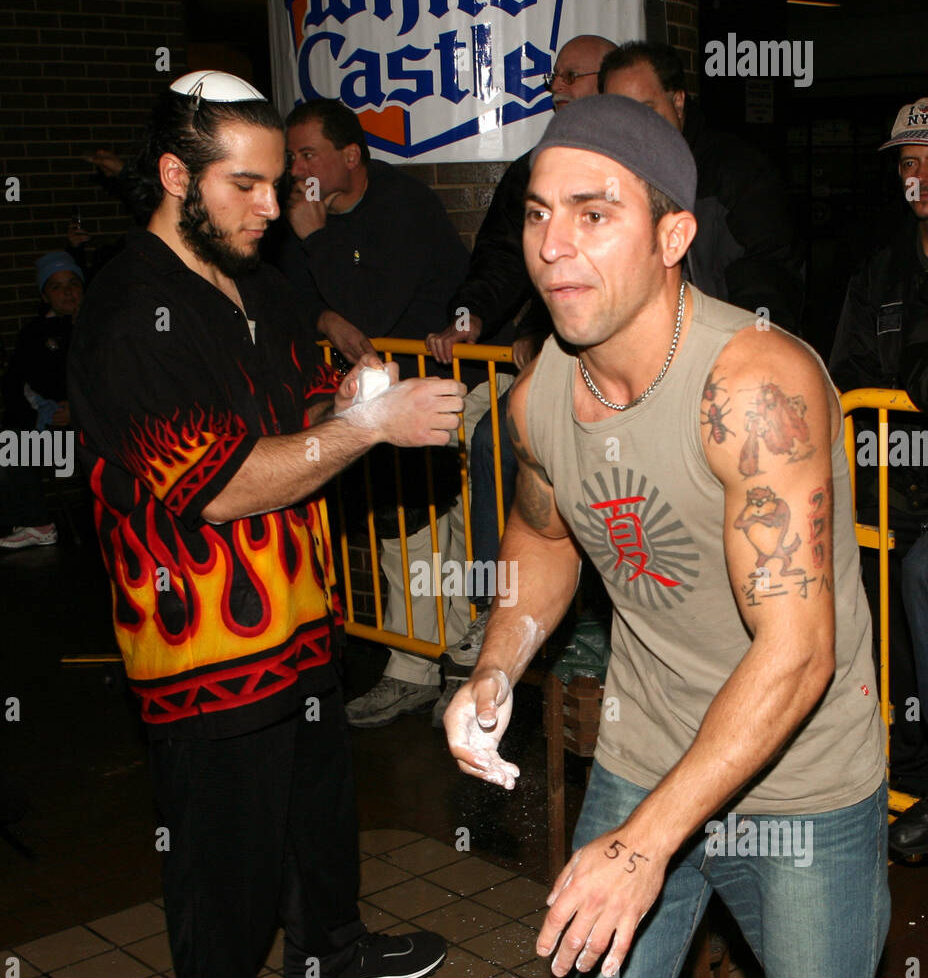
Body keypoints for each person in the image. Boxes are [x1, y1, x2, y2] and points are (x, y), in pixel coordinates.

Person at [444, 94, 888, 978]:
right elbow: (542, 537)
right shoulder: (547, 381)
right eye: (541, 213)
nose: (554, 244)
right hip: (646, 746)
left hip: (800, 776)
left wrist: (644, 848)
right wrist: (497, 665)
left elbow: (794, 657)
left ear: (674, 234)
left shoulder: (754, 385)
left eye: (595, 214)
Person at [69, 70, 464, 978]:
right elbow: (226, 482)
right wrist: (370, 432)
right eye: (243, 184)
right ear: (172, 175)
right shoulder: (128, 310)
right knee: (221, 846)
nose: (271, 206)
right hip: (196, 635)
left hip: (292, 616)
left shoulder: (258, 278)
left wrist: (352, 399)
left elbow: (296, 407)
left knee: (312, 801)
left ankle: (326, 951)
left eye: (277, 181)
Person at [272, 98, 476, 726]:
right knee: (403, 528)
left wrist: (316, 240)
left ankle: (467, 665)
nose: (295, 169)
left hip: (451, 388)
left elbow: (375, 308)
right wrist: (323, 317)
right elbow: (289, 297)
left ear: (351, 157)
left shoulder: (401, 205)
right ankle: (412, 664)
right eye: (292, 156)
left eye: (307, 154)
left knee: (461, 528)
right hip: (383, 398)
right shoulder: (309, 218)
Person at [426, 36, 618, 683]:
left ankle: (613, 625)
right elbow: (505, 254)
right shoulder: (535, 164)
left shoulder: (643, 163)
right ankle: (498, 610)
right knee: (493, 441)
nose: (556, 86)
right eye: (552, 75)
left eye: (571, 74)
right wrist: (474, 314)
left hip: (641, 369)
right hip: (565, 358)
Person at [831, 96, 928, 855]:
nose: (917, 176)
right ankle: (894, 777)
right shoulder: (882, 269)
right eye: (907, 162)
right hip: (895, 495)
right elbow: (850, 380)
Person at [600, 40, 805, 334]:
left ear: (678, 102)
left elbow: (767, 281)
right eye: (619, 114)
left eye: (646, 110)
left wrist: (746, 350)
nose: (633, 126)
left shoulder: (736, 173)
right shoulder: (604, 177)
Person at [0, 251, 82, 549]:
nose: (67, 292)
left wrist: (79, 412)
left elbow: (116, 380)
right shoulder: (35, 334)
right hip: (54, 431)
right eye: (56, 287)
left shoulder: (101, 325)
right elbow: (15, 384)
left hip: (99, 429)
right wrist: (38, 419)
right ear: (45, 295)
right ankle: (36, 523)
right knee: (11, 441)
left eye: (73, 283)